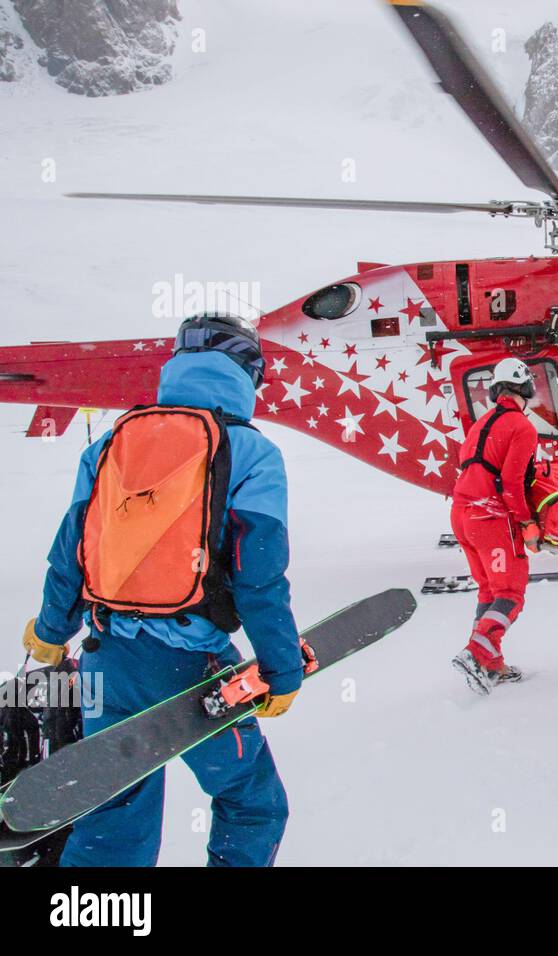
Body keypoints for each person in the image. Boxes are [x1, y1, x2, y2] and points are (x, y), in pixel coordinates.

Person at [20, 313, 302, 867]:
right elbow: (259, 575)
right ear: (247, 372)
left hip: (106, 662)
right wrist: (282, 669)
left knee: (113, 814)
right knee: (252, 804)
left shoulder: (110, 443)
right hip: (194, 673)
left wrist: (53, 633)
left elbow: (70, 553)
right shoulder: (250, 451)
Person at [450, 357, 542, 695]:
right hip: (489, 517)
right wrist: (528, 522)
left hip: (462, 514)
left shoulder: (481, 423)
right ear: (526, 387)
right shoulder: (521, 427)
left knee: (489, 590)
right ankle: (477, 650)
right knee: (510, 593)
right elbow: (512, 483)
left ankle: (492, 662)